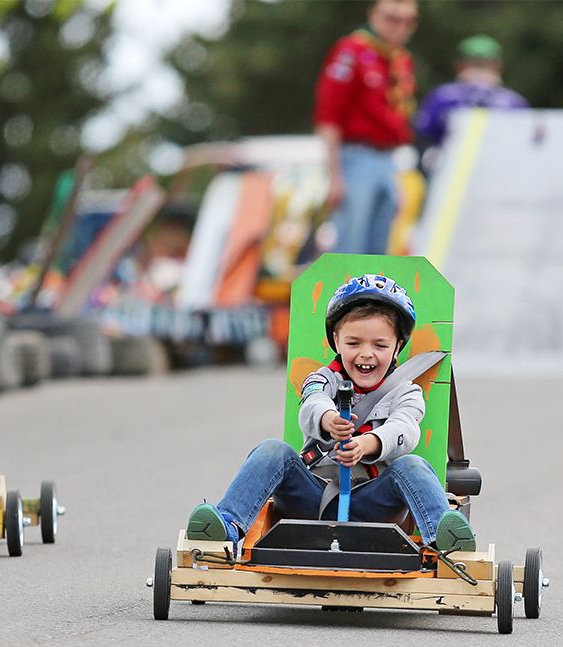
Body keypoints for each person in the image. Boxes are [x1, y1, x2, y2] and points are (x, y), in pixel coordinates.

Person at [186, 273, 476, 553]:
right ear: (336, 341)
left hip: (373, 504)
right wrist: (328, 420)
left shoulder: (407, 392)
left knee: (412, 465)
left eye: (379, 345)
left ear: (398, 346)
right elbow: (312, 403)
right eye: (353, 343)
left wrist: (368, 443)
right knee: (272, 450)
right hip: (312, 498)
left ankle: (445, 540)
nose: (366, 354)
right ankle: (226, 526)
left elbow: (405, 429)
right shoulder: (322, 378)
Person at [314, 0, 418, 255]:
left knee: (379, 252)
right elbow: (328, 117)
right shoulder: (351, 51)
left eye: (408, 21)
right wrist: (335, 176)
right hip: (356, 157)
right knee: (350, 247)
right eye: (392, 18)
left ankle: (370, 298)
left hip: (389, 159)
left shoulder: (399, 60)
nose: (399, 27)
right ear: (373, 14)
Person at [414, 35, 528, 170]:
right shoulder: (444, 96)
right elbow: (424, 136)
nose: (479, 70)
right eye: (474, 63)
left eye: (484, 64)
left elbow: (522, 142)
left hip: (499, 168)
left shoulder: (512, 101)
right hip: (451, 167)